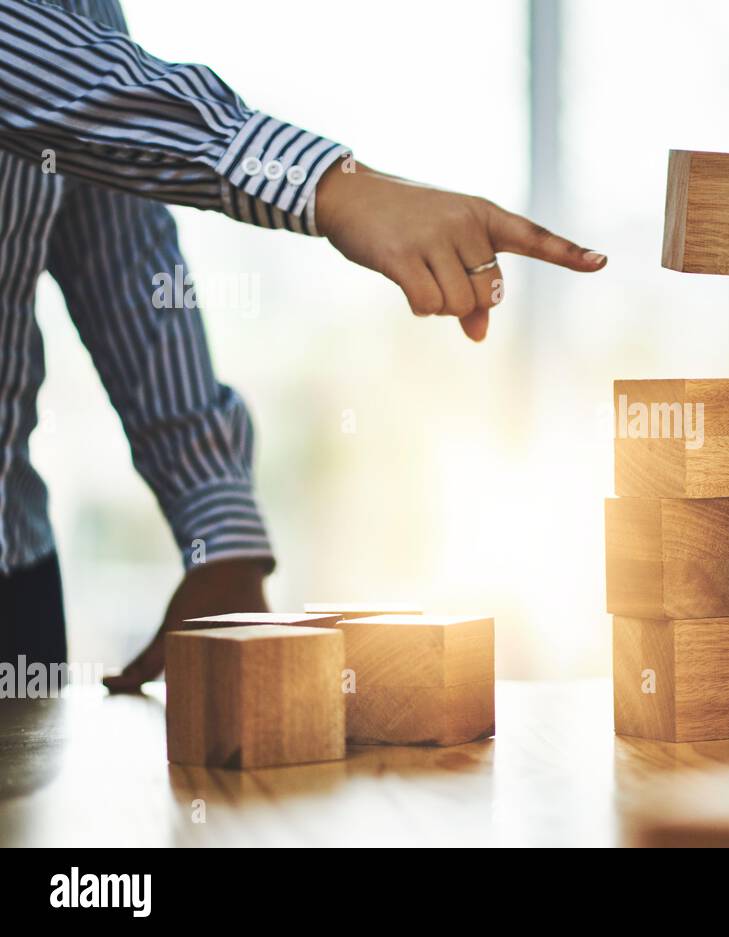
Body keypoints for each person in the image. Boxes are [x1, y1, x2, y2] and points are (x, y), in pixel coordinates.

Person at [0, 0, 605, 692]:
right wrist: (330, 185)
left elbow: (121, 253)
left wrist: (216, 525)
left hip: (18, 571)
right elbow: (34, 70)